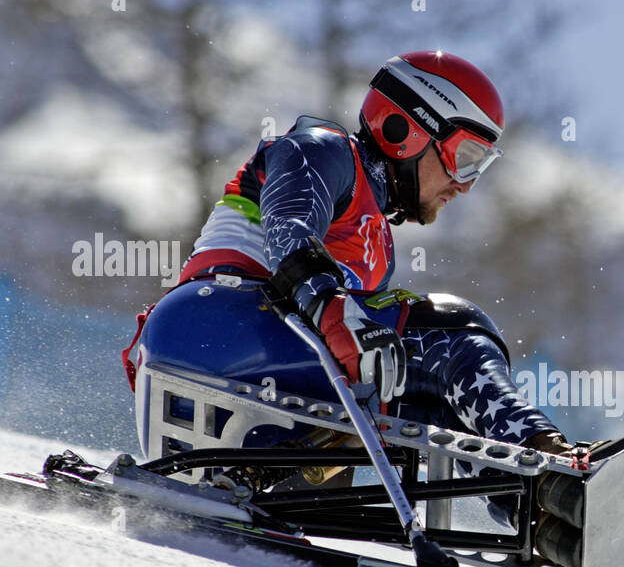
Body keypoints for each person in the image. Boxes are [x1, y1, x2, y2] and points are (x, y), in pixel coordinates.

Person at [124, 50, 576, 461]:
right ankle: (545, 458)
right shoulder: (326, 150)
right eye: (465, 157)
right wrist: (333, 308)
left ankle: (546, 513)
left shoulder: (377, 245)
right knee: (456, 329)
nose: (466, 184)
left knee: (438, 402)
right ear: (406, 131)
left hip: (258, 369)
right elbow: (289, 224)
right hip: (212, 328)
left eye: (481, 165)